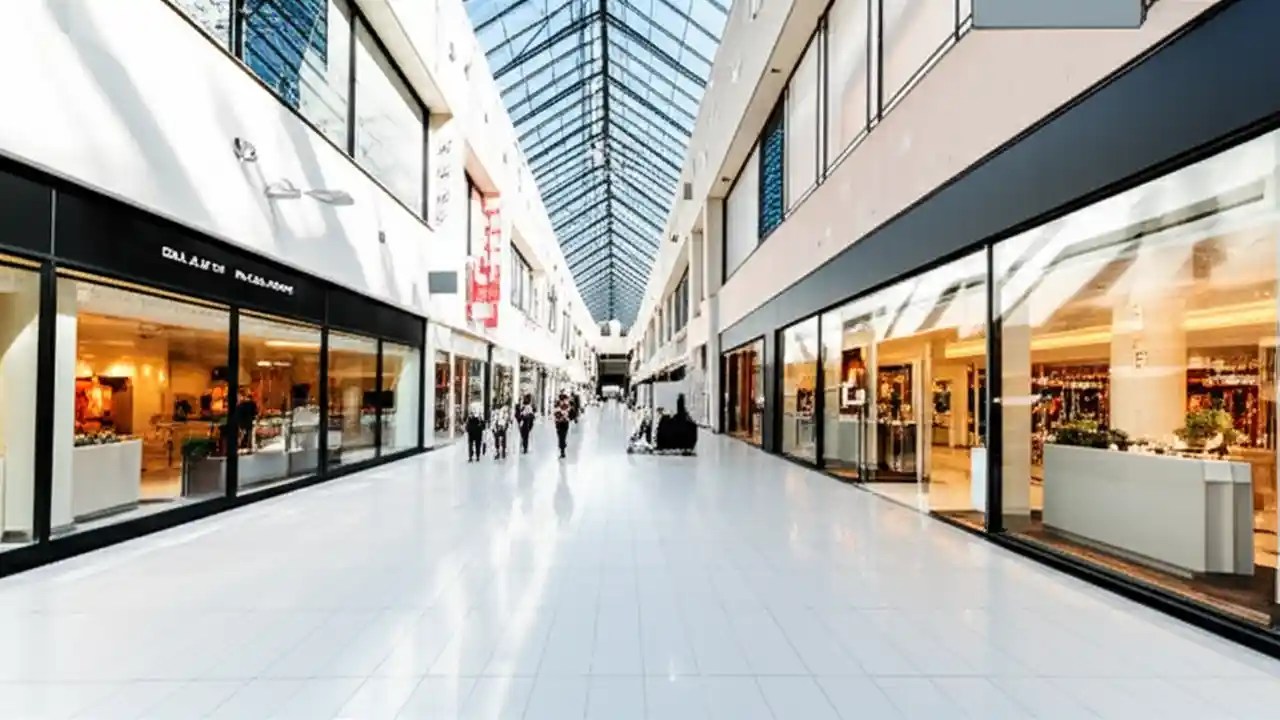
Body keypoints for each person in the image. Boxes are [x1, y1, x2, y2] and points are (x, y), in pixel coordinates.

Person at [553, 392, 571, 459]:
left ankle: (562, 450)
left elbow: (556, 413)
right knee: (563, 436)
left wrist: (558, 418)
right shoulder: (567, 405)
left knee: (560, 436)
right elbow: (569, 413)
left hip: (559, 423)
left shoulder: (558, 405)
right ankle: (562, 446)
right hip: (565, 422)